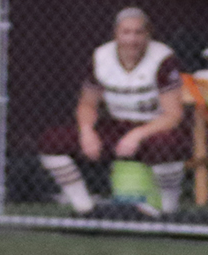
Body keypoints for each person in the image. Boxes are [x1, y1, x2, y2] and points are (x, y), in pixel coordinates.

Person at [37, 8, 189, 219]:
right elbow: (87, 104)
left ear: (148, 35)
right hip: (116, 124)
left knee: (170, 146)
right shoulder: (101, 57)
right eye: (126, 33)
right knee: (51, 142)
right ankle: (85, 210)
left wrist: (138, 134)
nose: (132, 39)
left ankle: (168, 212)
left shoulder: (162, 58)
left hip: (152, 128)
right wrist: (87, 131)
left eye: (138, 33)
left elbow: (173, 115)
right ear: (116, 34)